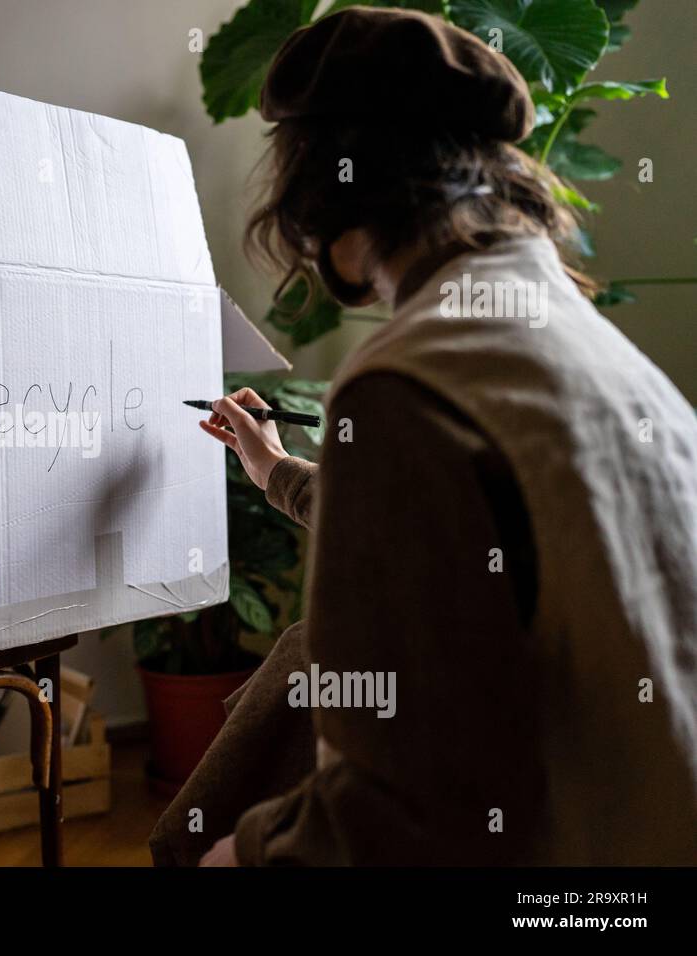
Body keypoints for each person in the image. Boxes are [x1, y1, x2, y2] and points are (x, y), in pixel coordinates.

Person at [150, 6, 697, 866]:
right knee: (300, 664)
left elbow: (402, 821)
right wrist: (274, 466)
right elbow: (455, 541)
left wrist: (235, 859)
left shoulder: (411, 379)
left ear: (325, 186)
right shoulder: (580, 343)